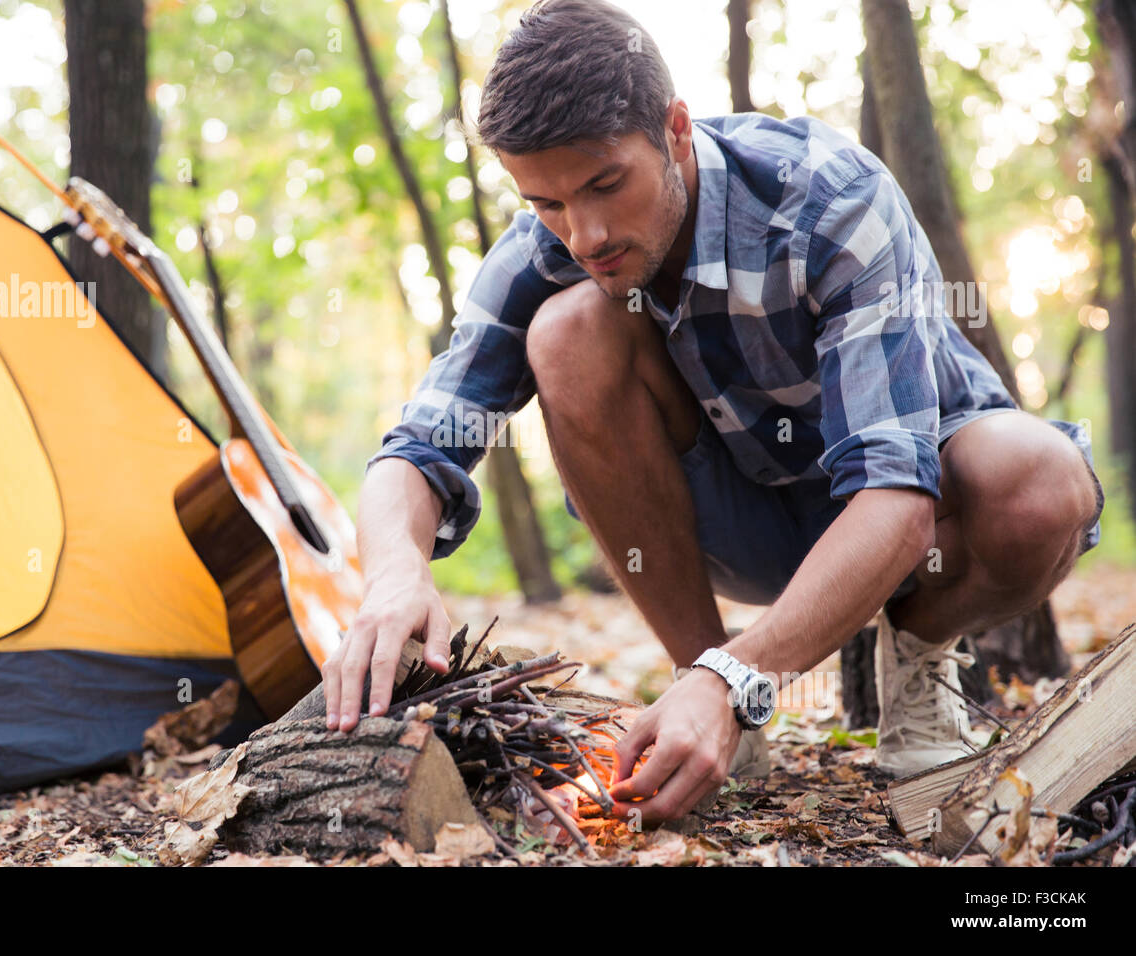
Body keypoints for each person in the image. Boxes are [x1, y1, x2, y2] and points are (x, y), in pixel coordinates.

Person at [321, 0, 1104, 825]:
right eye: (546, 202)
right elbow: (419, 442)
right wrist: (394, 571)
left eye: (603, 184)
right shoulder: (546, 246)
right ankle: (706, 678)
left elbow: (895, 499)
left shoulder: (831, 199)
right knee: (569, 328)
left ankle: (908, 657)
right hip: (743, 521)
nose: (582, 233)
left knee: (1042, 485)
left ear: (676, 129)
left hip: (914, 515)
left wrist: (741, 676)